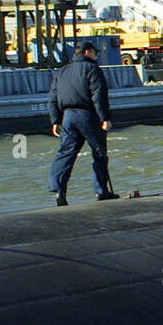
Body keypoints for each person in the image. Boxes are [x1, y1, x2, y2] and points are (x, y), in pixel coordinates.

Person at [48, 41, 116, 206]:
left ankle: (58, 190)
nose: (96, 55)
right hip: (87, 115)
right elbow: (98, 96)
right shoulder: (92, 69)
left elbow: (52, 98)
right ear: (87, 52)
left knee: (66, 153)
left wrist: (55, 120)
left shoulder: (62, 71)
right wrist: (105, 118)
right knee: (99, 153)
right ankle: (101, 191)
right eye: (94, 52)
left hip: (68, 117)